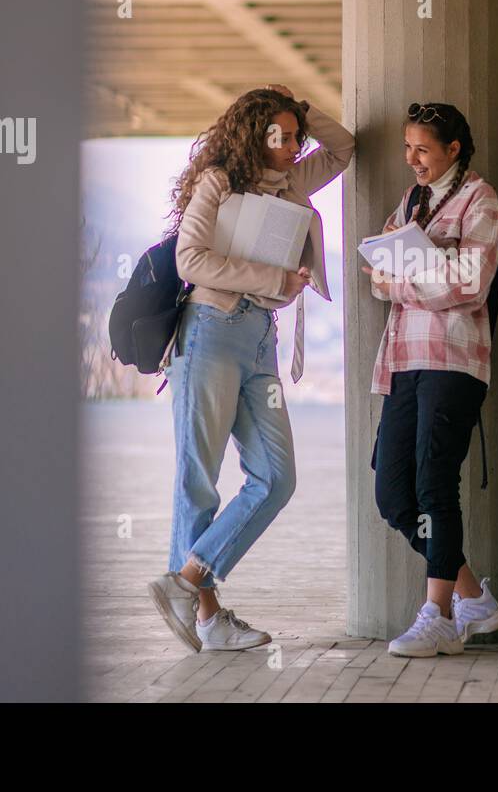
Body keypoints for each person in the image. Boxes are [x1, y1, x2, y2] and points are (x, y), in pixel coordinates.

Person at [147, 84, 354, 652]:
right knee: (199, 478)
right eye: (277, 135)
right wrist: (274, 280)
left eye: (294, 136)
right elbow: (190, 258)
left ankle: (186, 580)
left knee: (276, 477)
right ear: (251, 134)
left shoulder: (293, 179)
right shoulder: (217, 183)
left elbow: (344, 150)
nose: (290, 145)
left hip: (261, 341)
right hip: (210, 331)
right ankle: (208, 620)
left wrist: (303, 109)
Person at [361, 101, 498, 657]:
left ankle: (439, 615)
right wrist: (406, 275)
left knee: (433, 486)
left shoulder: (481, 200)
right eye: (407, 147)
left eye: (422, 148)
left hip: (454, 360)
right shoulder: (410, 203)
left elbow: (468, 283)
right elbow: (378, 276)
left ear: (453, 149)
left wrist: (402, 279)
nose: (412, 159)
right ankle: (474, 597)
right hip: (403, 358)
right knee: (393, 493)